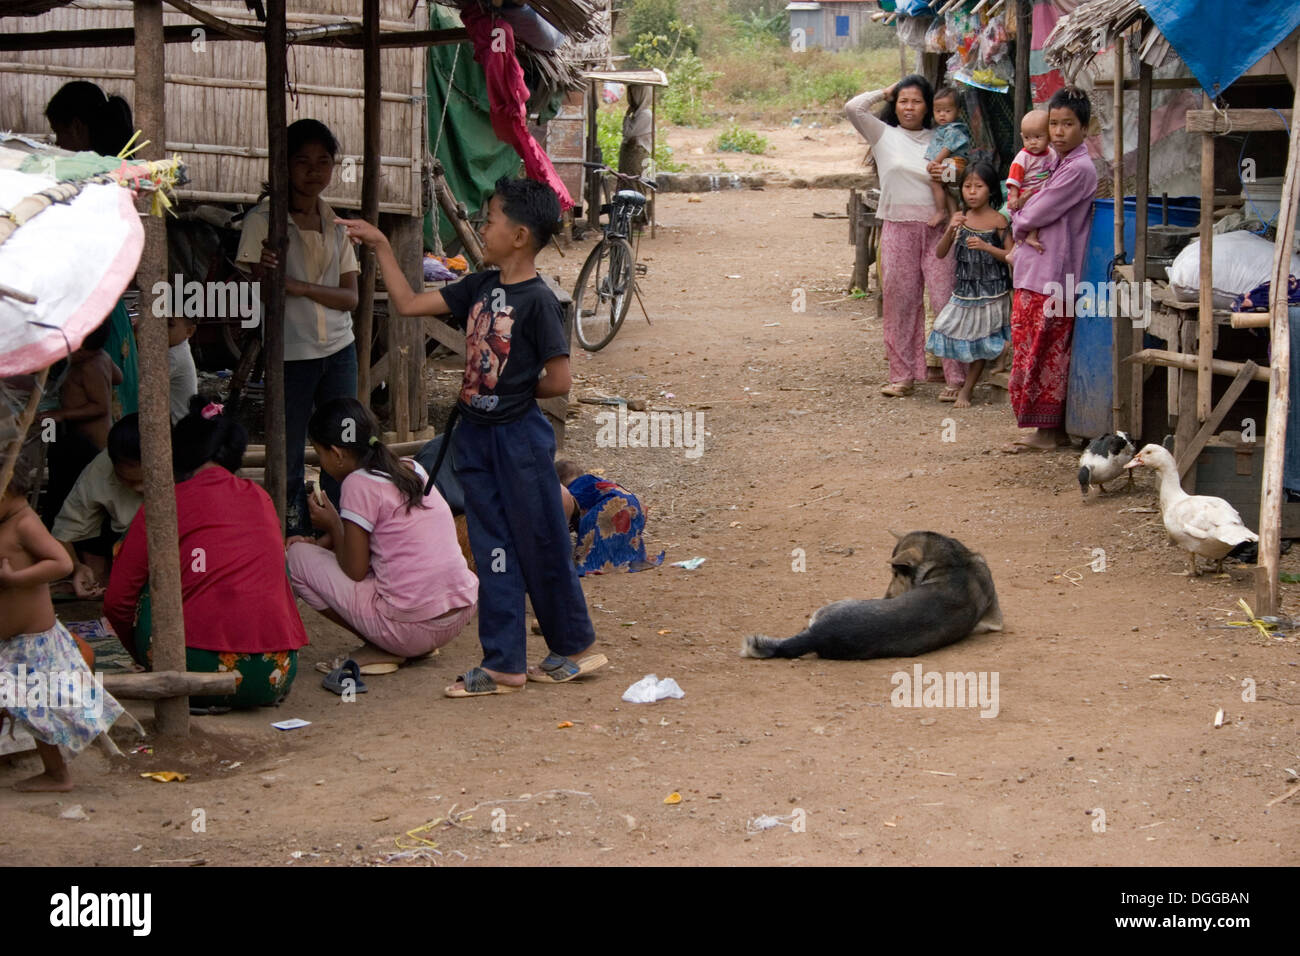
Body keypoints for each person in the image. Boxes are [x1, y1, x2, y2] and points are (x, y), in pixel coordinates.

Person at [338, 177, 607, 698]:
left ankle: (574, 645)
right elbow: (410, 303)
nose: (481, 228)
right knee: (493, 548)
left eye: (490, 220)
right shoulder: (481, 288)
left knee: (542, 538)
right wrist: (382, 245)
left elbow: (560, 380)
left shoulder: (538, 301)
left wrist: (510, 390)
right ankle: (504, 661)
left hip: (520, 440)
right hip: (477, 438)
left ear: (521, 235)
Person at [104, 396, 309, 709]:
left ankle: (191, 677)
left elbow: (118, 600)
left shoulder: (166, 503)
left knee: (148, 581)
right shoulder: (261, 498)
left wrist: (142, 658)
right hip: (276, 672)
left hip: (194, 670)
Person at [286, 398, 478, 682]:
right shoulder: (410, 468)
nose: (321, 463)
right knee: (316, 554)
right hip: (457, 614)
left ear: (337, 453)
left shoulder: (357, 484)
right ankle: (403, 643)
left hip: (410, 630)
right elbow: (390, 540)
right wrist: (325, 540)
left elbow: (355, 569)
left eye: (319, 454)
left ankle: (382, 646)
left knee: (295, 558)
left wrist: (332, 524)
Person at [237, 119, 360, 534]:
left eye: (323, 162)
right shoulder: (263, 222)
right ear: (284, 165)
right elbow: (263, 294)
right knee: (287, 446)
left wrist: (299, 286)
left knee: (342, 441)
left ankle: (337, 526)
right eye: (303, 161)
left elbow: (351, 298)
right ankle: (289, 528)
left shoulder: (336, 224)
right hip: (292, 352)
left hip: (339, 349)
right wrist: (272, 277)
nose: (314, 171)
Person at [0, 440, 125, 792]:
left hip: (32, 644)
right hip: (9, 643)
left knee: (41, 712)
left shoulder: (24, 523)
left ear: (9, 488)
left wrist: (14, 579)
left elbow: (61, 562)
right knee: (24, 707)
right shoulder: (4, 520)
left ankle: (57, 774)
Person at [845, 75, 966, 402]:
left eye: (916, 101)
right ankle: (902, 376)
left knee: (945, 301)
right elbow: (852, 108)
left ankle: (956, 378)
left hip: (938, 229)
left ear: (928, 106)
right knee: (901, 302)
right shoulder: (883, 134)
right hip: (898, 228)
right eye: (903, 101)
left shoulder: (942, 136)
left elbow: (962, 173)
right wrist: (884, 90)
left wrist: (949, 172)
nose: (909, 107)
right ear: (895, 105)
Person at [1002, 88, 1099, 454]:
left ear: (1084, 128)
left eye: (1068, 124)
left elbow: (1036, 210)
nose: (1058, 132)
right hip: (1039, 271)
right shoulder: (1056, 162)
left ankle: (1047, 432)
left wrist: (1019, 219)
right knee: (1034, 348)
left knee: (1045, 351)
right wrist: (1024, 217)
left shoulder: (1077, 168)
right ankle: (1047, 430)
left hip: (1053, 275)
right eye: (1054, 124)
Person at [45, 80, 139, 419]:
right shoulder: (111, 175)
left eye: (58, 133)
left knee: (88, 411)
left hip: (91, 320)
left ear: (77, 127)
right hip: (107, 317)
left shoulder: (91, 182)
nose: (57, 144)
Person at [926, 163, 1014, 409]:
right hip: (965, 290)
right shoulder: (961, 219)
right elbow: (941, 253)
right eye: (967, 186)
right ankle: (1001, 348)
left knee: (980, 338)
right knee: (946, 327)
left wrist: (987, 247)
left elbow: (1010, 255)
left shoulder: (998, 220)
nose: (972, 192)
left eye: (979, 186)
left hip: (991, 291)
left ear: (990, 190)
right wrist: (950, 229)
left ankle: (967, 390)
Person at [50, 413, 144, 598]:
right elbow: (64, 532)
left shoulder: (189, 470)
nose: (139, 488)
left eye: (145, 480)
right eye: (128, 481)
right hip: (124, 541)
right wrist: (77, 567)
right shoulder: (100, 469)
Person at [41, 318, 121, 527]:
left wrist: (63, 413)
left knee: (77, 493)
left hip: (92, 444)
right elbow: (118, 377)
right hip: (87, 442)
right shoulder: (102, 357)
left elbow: (100, 407)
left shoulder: (89, 366)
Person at [555, 460, 665, 575]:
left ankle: (598, 561)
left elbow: (570, 513)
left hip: (615, 505)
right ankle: (625, 558)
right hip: (636, 507)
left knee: (591, 523)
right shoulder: (593, 481)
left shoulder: (574, 489)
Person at [1005, 109, 1056, 255]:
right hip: (1023, 193)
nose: (1032, 142)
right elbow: (1014, 179)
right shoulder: (1022, 157)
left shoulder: (1051, 154)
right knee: (1036, 211)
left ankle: (1013, 253)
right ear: (1022, 137)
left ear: (1049, 137)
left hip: (1038, 192)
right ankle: (1030, 237)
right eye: (1027, 138)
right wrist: (1014, 197)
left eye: (1038, 137)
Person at [923, 86, 971, 225]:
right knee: (946, 187)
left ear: (958, 111)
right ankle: (954, 215)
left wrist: (935, 162)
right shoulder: (942, 129)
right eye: (938, 111)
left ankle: (941, 212)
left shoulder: (954, 129)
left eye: (947, 111)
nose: (942, 115)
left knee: (935, 182)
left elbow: (947, 148)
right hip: (951, 163)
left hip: (954, 162)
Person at [167, 314, 198, 425]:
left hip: (177, 426)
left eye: (169, 325)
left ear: (189, 331)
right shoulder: (180, 347)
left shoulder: (174, 356)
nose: (161, 330)